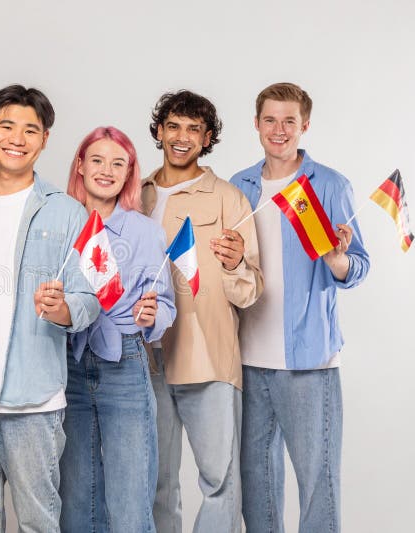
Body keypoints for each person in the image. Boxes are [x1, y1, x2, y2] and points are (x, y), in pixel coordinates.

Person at [0, 84, 101, 532]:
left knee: (39, 523)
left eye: (31, 130)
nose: (17, 138)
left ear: (45, 139)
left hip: (34, 400)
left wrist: (63, 308)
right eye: (7, 126)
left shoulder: (70, 213)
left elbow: (91, 297)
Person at [230, 82, 370, 533]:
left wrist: (336, 259)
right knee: (256, 482)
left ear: (304, 125)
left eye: (289, 120)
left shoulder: (329, 185)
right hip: (247, 360)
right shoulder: (239, 186)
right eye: (270, 120)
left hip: (310, 363)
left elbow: (359, 266)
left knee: (317, 484)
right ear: (256, 125)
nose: (279, 129)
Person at [143, 90, 264, 533]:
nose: (182, 137)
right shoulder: (136, 193)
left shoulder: (229, 198)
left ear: (207, 138)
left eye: (194, 129)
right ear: (159, 131)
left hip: (208, 358)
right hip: (144, 360)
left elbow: (250, 290)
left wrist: (233, 265)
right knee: (155, 483)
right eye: (174, 126)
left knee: (219, 481)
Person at [59, 126, 176, 532]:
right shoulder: (63, 223)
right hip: (68, 363)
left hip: (124, 362)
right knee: (77, 496)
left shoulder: (145, 231)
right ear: (80, 165)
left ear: (129, 173)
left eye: (117, 163)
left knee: (130, 498)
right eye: (97, 160)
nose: (106, 171)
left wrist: (152, 315)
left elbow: (166, 303)